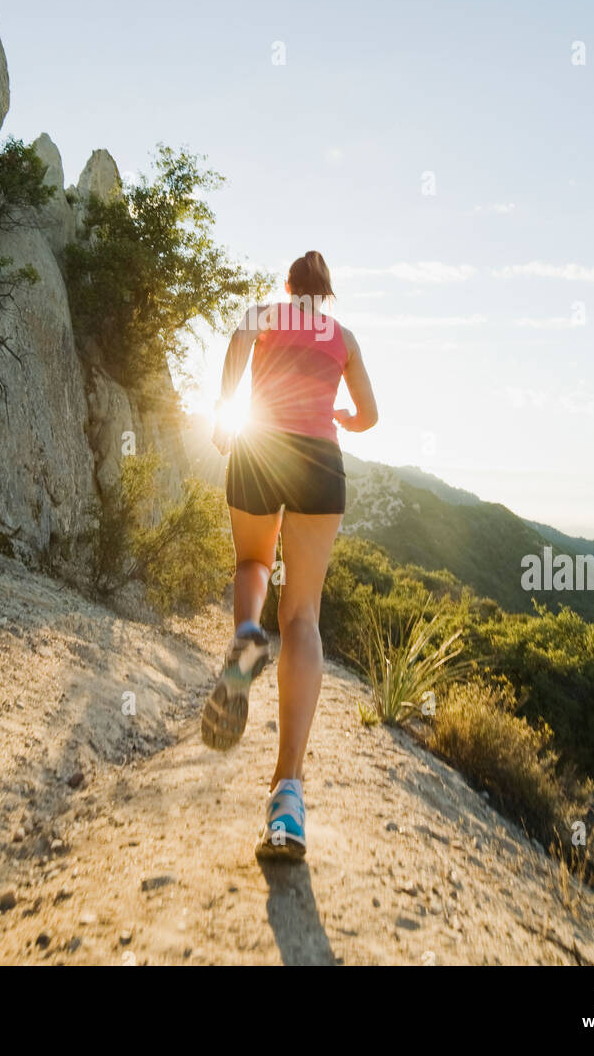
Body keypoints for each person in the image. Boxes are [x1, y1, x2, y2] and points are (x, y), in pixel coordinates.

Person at [200, 250, 378, 860]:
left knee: (252, 564)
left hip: (260, 445)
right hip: (319, 464)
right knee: (302, 615)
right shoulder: (344, 336)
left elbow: (236, 341)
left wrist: (228, 411)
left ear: (288, 286)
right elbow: (370, 416)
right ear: (327, 294)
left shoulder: (266, 313)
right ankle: (287, 797)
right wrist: (341, 419)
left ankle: (246, 634)